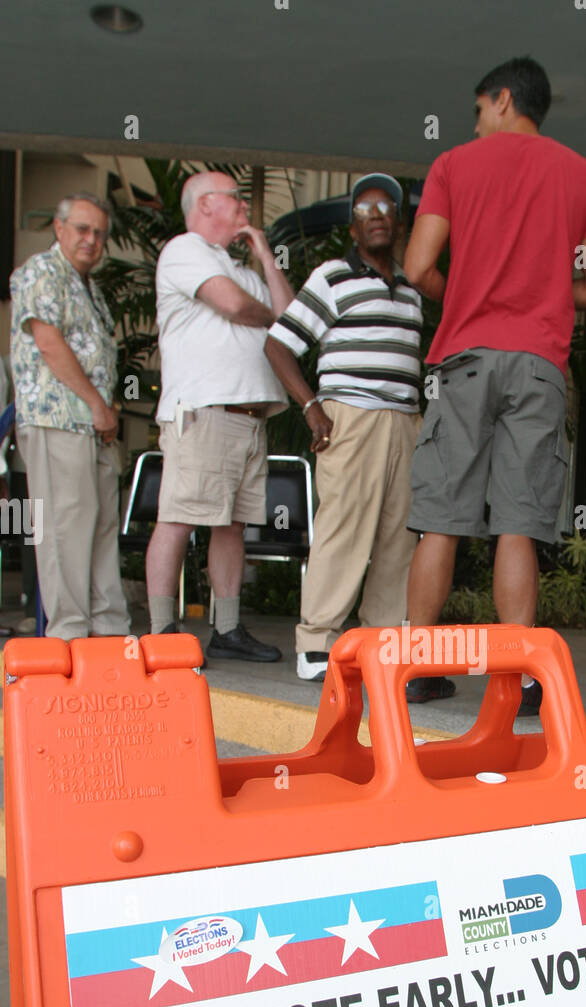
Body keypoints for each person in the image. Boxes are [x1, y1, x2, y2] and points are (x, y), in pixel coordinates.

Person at [402, 55, 586, 710]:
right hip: (539, 365)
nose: (474, 127)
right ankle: (519, 677)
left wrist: (464, 294)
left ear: (501, 100)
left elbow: (416, 268)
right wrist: (548, 293)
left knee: (441, 520)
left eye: (477, 111)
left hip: (463, 360)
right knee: (519, 522)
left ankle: (416, 666)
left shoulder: (453, 168)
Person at [265, 174, 423, 680]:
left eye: (386, 207)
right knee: (343, 530)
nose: (375, 214)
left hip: (404, 422)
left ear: (399, 222)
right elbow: (278, 345)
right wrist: (311, 406)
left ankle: (382, 646)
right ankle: (315, 644)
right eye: (363, 208)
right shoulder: (332, 276)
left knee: (398, 538)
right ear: (353, 228)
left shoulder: (413, 288)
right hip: (348, 418)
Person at [147, 171, 292, 661]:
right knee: (179, 517)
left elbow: (289, 316)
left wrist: (266, 258)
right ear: (206, 203)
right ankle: (161, 632)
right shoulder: (184, 249)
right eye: (236, 198)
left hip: (249, 416)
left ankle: (226, 630)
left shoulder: (243, 269)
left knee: (231, 525)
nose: (245, 206)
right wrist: (269, 314)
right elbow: (232, 305)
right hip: (204, 412)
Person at [10, 192, 130, 640]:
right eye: (82, 229)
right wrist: (98, 405)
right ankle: (70, 635)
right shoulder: (41, 272)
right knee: (65, 527)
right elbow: (48, 343)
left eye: (99, 233)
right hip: (59, 418)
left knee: (99, 525)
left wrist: (105, 409)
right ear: (59, 229)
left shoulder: (89, 285)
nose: (92, 240)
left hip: (94, 427)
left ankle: (108, 630)